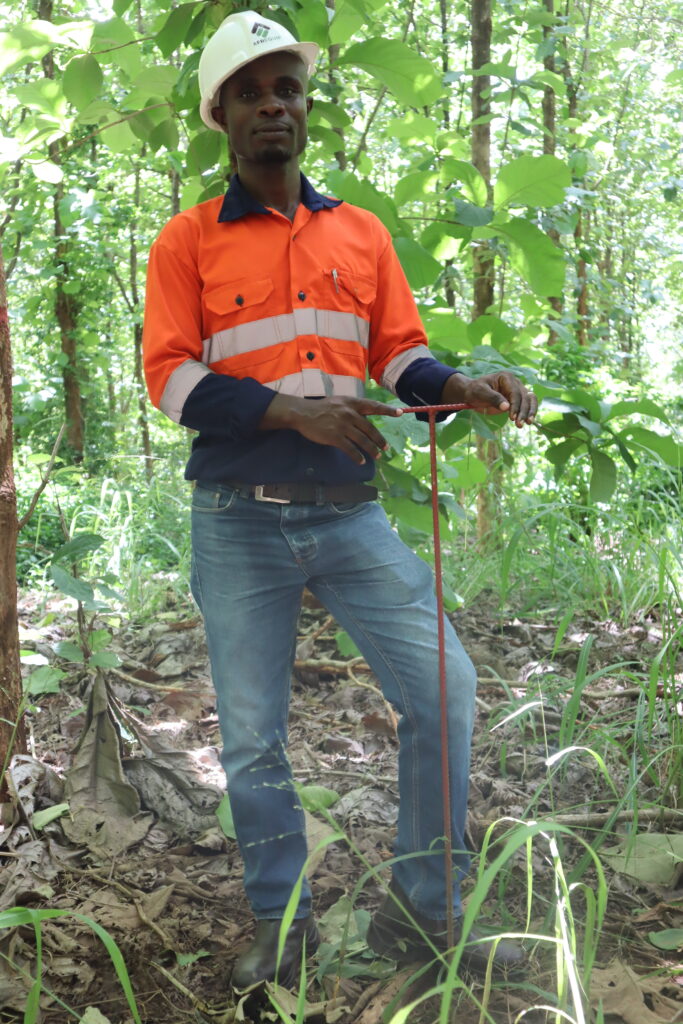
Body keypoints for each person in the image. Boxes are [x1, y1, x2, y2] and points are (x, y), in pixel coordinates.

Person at [142, 11, 537, 990]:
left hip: (348, 517)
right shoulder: (184, 242)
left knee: (442, 688)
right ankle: (285, 927)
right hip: (237, 521)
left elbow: (398, 355)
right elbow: (169, 380)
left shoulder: (357, 232)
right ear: (220, 113)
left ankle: (424, 910)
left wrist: (458, 385)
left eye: (288, 89)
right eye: (252, 91)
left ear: (303, 108)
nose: (274, 105)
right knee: (250, 736)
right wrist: (290, 410)